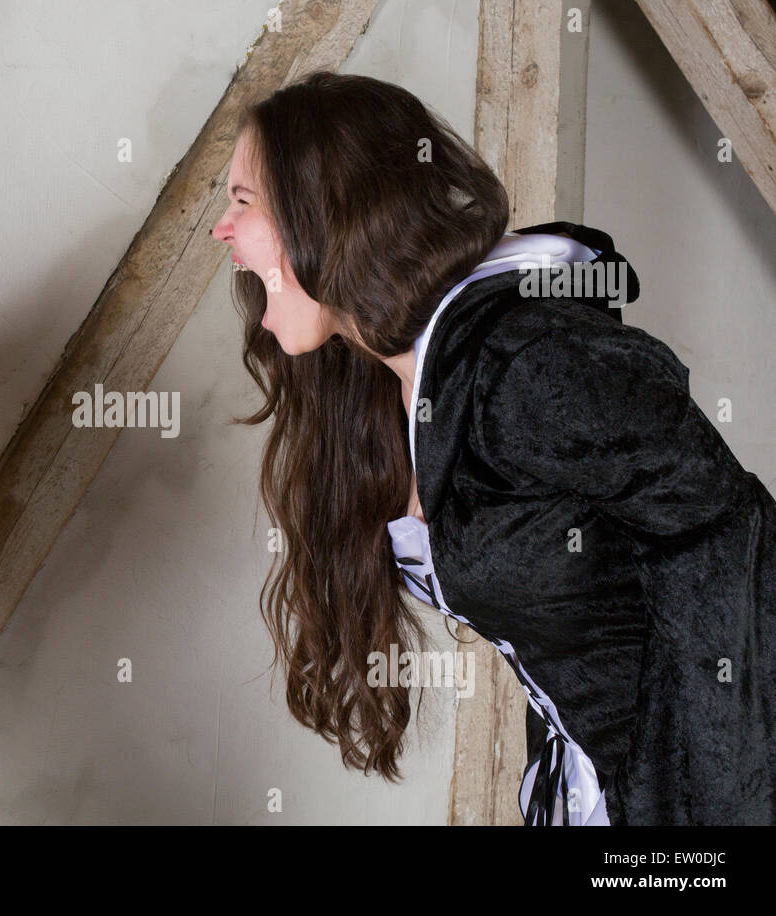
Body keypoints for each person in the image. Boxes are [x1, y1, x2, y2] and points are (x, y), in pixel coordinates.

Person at [212, 71, 776, 825]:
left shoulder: (531, 362)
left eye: (241, 201)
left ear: (328, 212)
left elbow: (733, 550)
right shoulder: (396, 382)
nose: (222, 229)